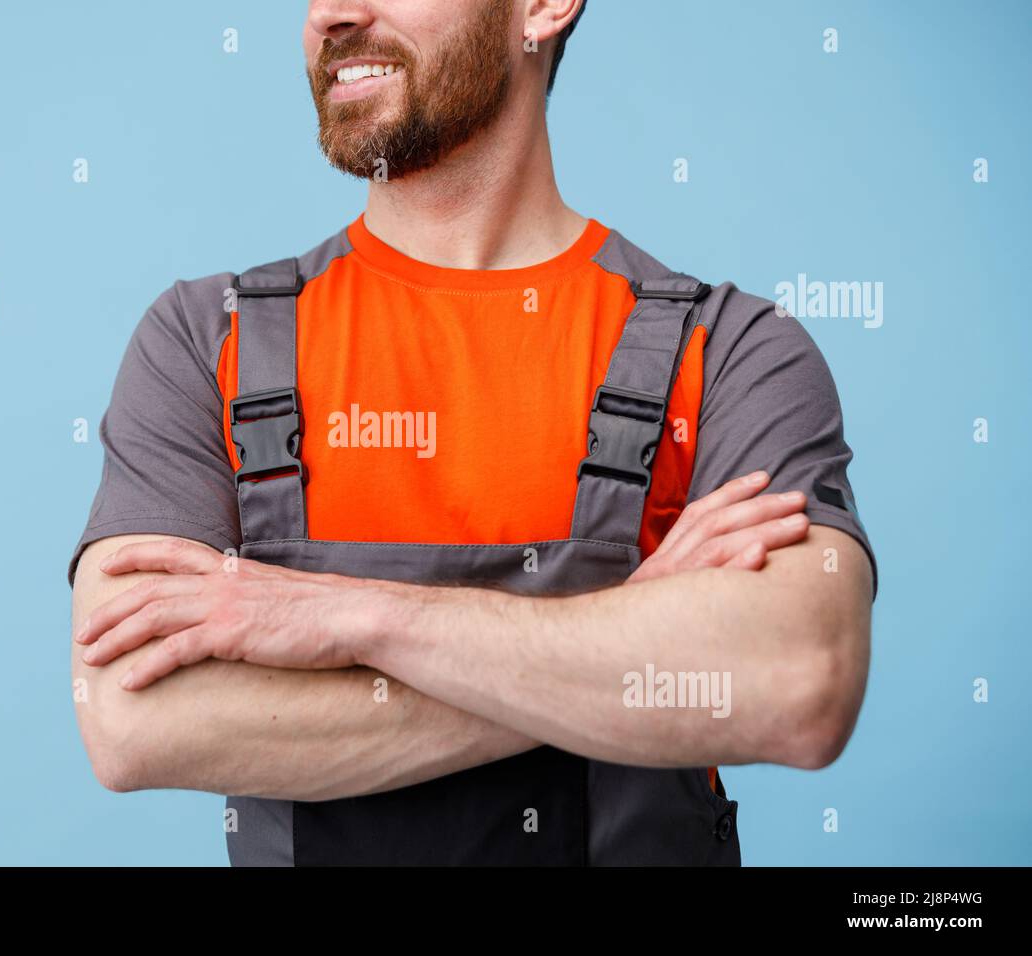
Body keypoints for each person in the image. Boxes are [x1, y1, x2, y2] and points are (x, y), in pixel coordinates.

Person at [68, 0, 876, 866]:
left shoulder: (731, 353)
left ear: (541, 9)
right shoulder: (205, 339)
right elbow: (133, 719)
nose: (330, 14)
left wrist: (344, 619)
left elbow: (798, 686)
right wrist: (621, 629)